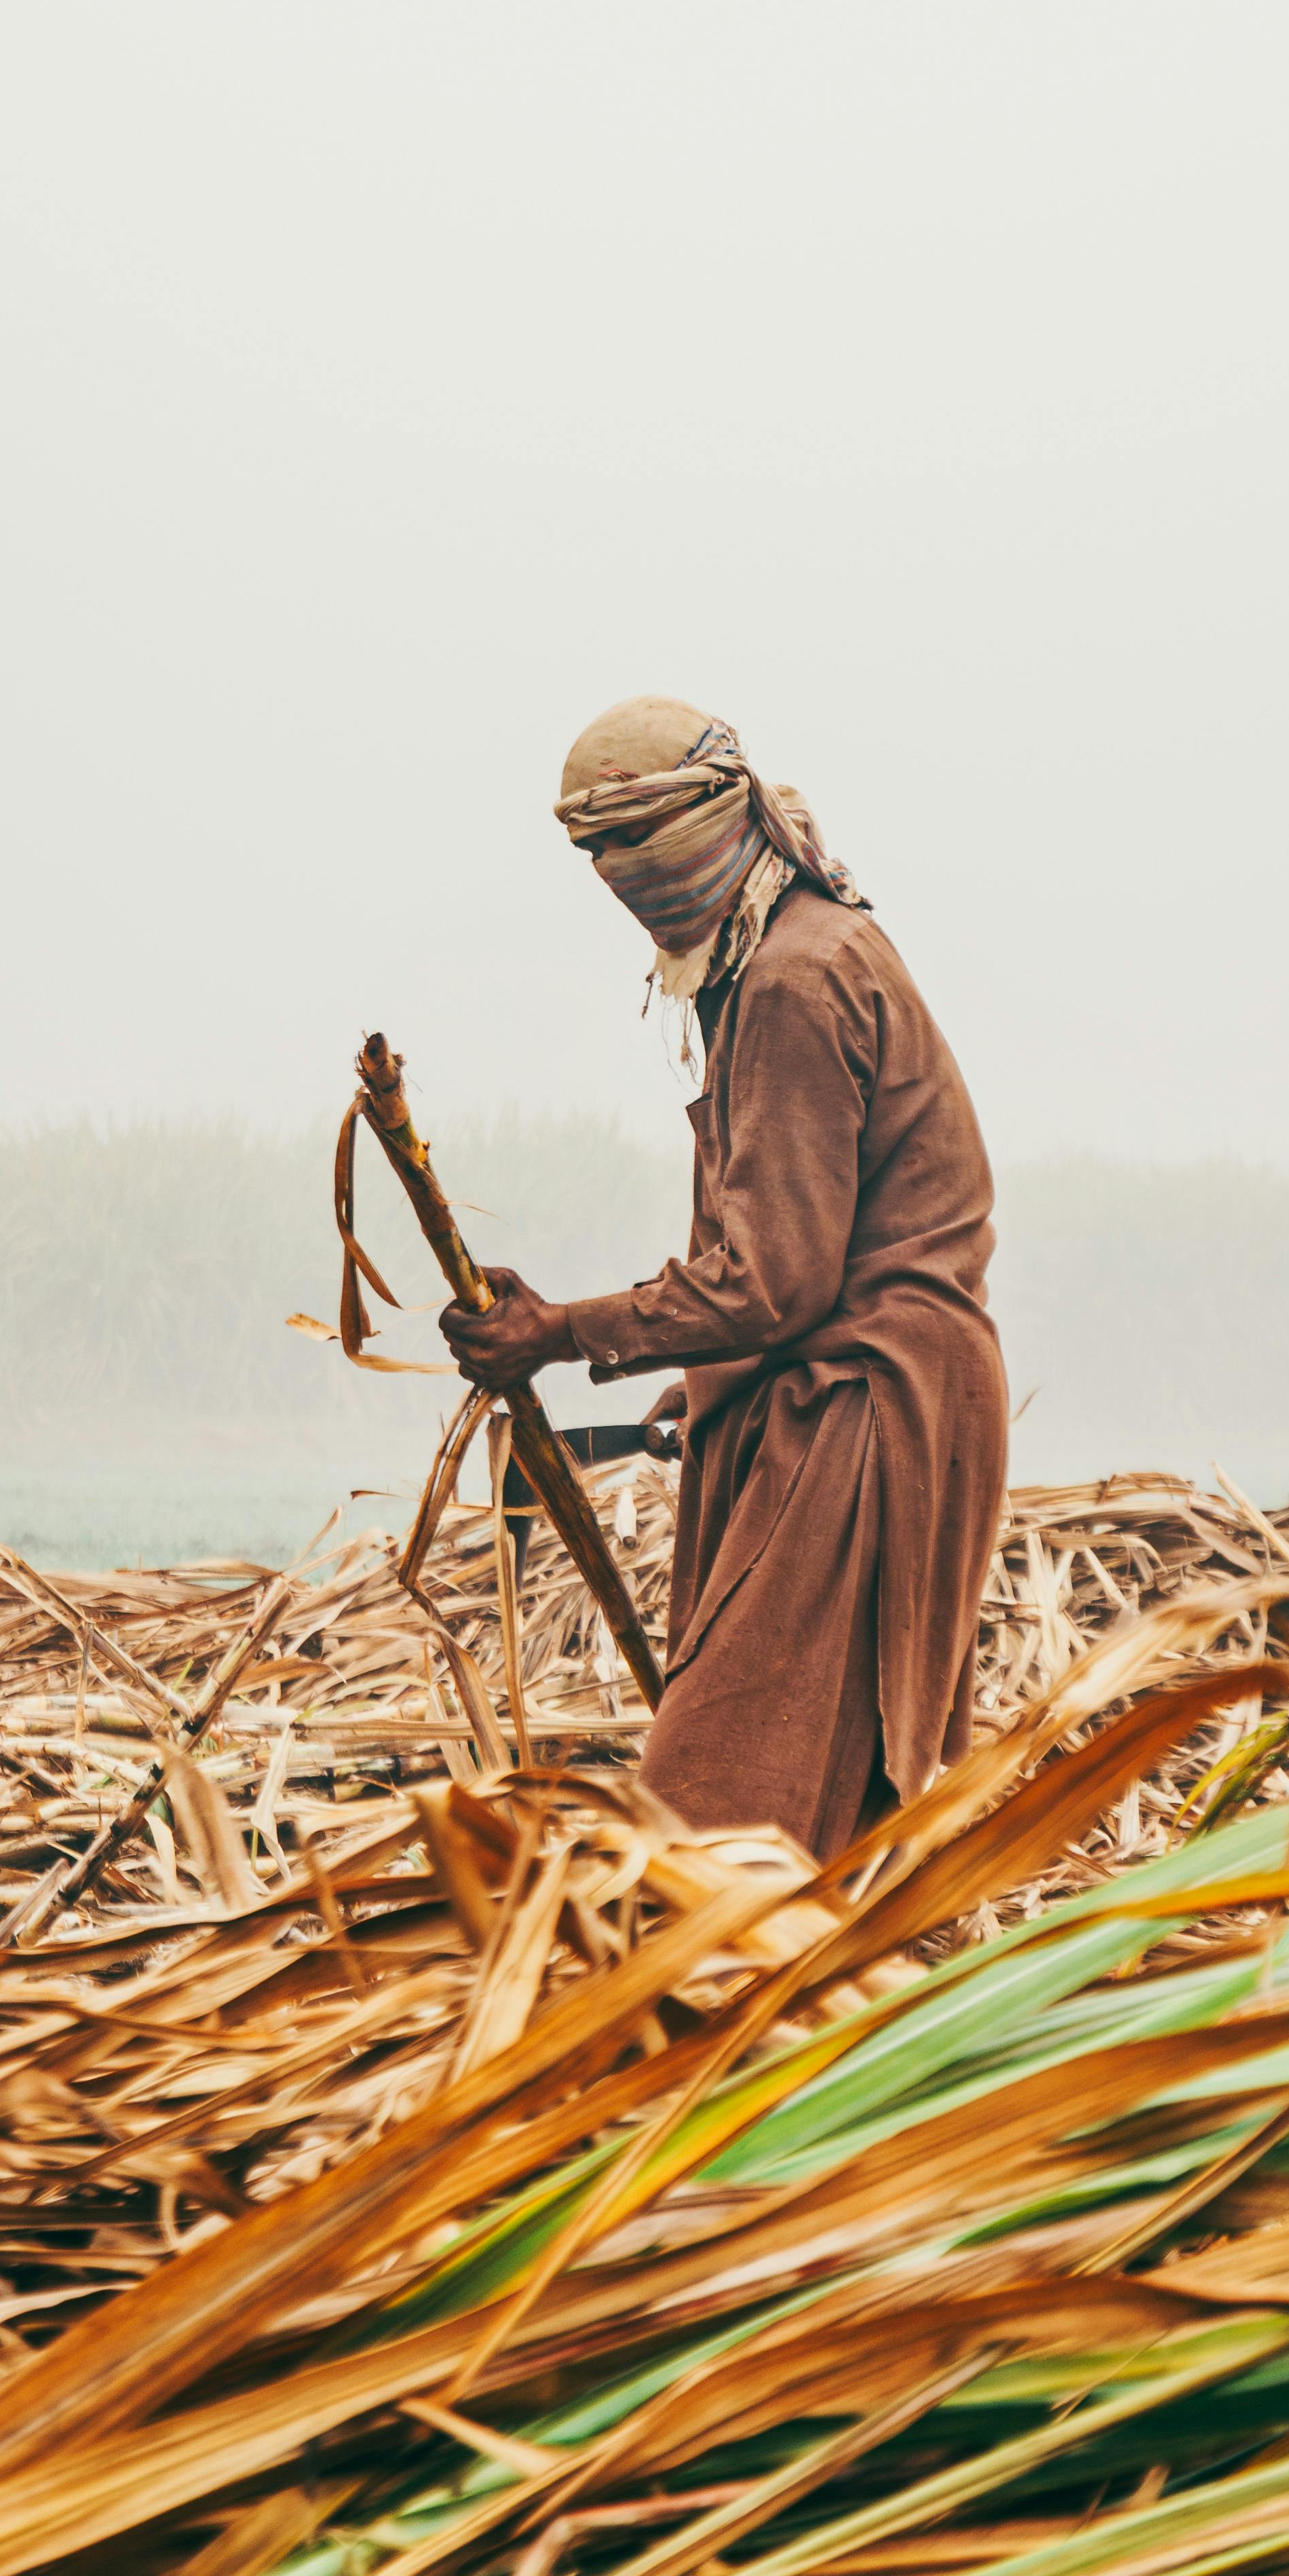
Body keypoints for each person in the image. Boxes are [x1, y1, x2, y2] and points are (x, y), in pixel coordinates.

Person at [438, 694, 1009, 1862]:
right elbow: (800, 1248)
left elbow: (775, 1283)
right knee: (822, 1815)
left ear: (714, 817)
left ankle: (688, 2020)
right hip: (857, 1391)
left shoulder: (799, 976)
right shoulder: (774, 955)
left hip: (866, 1411)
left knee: (719, 1798)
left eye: (628, 840)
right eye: (590, 850)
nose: (612, 873)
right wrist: (706, 1385)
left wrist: (558, 1332)